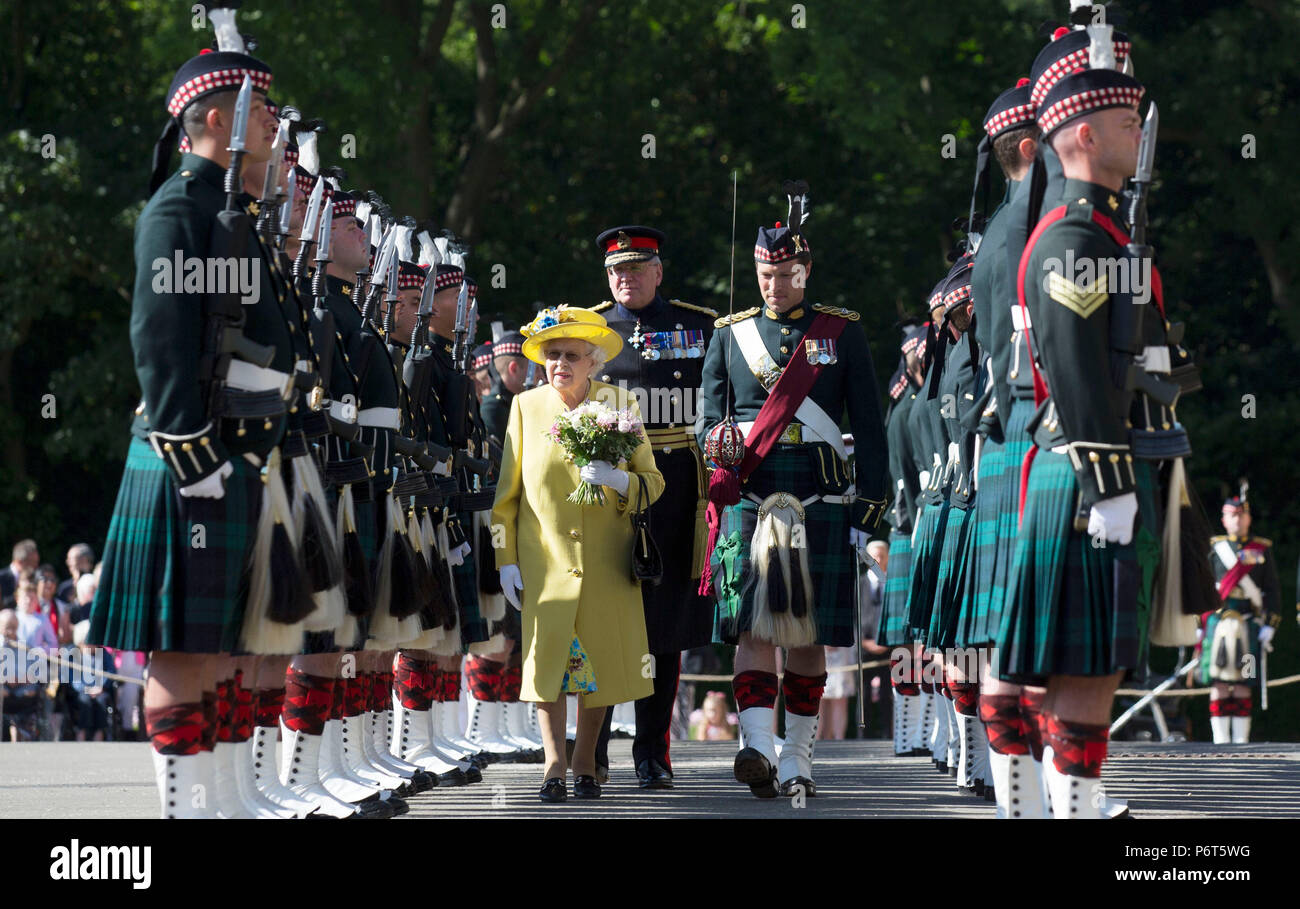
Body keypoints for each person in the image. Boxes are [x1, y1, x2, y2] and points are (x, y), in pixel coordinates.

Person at [87, 14, 301, 818]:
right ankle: (185, 811)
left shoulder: (234, 216)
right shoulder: (177, 211)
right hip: (193, 456)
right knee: (182, 650)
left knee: (222, 649)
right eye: (264, 109)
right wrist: (194, 452)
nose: (276, 125)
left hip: (238, 454)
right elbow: (159, 340)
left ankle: (222, 803)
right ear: (216, 118)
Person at [995, 38, 1166, 818]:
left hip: (1100, 467)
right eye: (1125, 118)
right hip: (1089, 469)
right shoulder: (1072, 238)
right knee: (1082, 669)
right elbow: (1073, 367)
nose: (1140, 130)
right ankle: (1069, 811)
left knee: (1092, 667)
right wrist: (1111, 482)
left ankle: (1067, 808)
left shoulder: (1100, 233)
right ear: (1084, 134)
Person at [696, 182, 888, 798]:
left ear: (805, 270)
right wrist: (717, 448)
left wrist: (870, 510)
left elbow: (871, 427)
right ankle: (755, 745)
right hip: (752, 496)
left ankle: (799, 755)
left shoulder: (842, 333)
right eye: (764, 273)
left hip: (821, 498)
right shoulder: (730, 334)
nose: (773, 284)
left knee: (807, 634)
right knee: (752, 629)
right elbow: (708, 420)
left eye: (784, 273)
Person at [492, 306, 663, 801]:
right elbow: (507, 496)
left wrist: (619, 479)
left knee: (599, 667)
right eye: (551, 355)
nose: (559, 363)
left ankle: (586, 762)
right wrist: (505, 559)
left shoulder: (619, 403)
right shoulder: (525, 407)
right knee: (549, 665)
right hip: (544, 564)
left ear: (593, 362)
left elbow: (654, 481)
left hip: (607, 562)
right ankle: (552, 764)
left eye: (570, 355)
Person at [590, 225, 718, 788]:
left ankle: (652, 753)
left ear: (659, 272)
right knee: (602, 620)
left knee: (664, 627)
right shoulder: (590, 328)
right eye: (617, 270)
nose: (626, 278)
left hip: (676, 486)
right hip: (608, 489)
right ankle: (590, 750)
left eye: (637, 268)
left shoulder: (701, 325)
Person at [1200, 493, 1280, 743]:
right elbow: (1202, 589)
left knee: (1245, 682)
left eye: (1241, 514)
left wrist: (1270, 625)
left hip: (1247, 627)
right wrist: (1198, 625)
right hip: (1218, 624)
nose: (1237, 519)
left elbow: (1272, 589)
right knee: (1218, 682)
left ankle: (1242, 745)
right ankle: (1220, 743)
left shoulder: (1260, 549)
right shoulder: (1215, 548)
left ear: (1249, 518)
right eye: (1232, 515)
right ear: (1224, 519)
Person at [0, 540, 39, 607]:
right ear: (19, 562)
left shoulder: (34, 578)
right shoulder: (1, 578)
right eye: (32, 562)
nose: (36, 566)